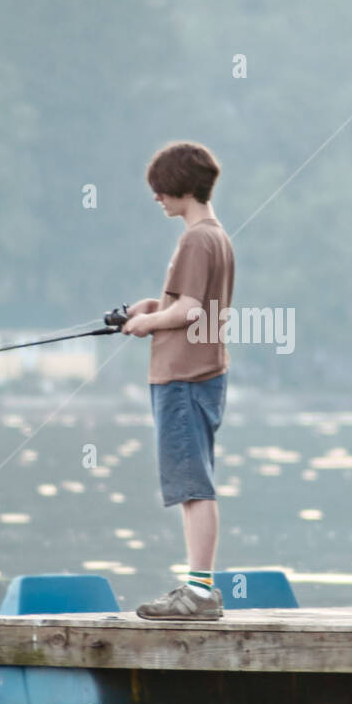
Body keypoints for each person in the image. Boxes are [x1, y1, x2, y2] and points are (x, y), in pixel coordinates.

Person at [122, 141, 235, 621]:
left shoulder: (194, 239)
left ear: (183, 187)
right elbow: (193, 303)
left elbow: (190, 310)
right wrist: (153, 307)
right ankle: (197, 586)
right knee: (192, 483)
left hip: (184, 376)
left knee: (193, 485)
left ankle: (200, 593)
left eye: (161, 189)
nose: (157, 198)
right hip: (201, 371)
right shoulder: (216, 236)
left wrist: (149, 324)